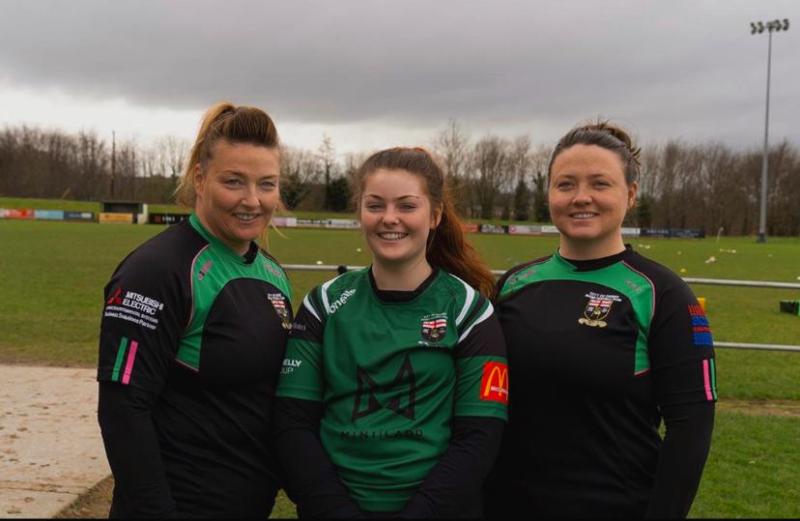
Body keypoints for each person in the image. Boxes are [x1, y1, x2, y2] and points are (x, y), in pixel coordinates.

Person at [485, 122, 717, 518]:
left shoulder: (663, 294)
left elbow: (691, 429)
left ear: (630, 194)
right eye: (566, 184)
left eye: (600, 184)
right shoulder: (514, 284)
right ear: (549, 194)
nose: (581, 198)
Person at [273, 147, 508, 518]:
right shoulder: (324, 304)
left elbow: (479, 437)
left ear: (435, 215)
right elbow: (291, 422)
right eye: (376, 205)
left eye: (406, 206)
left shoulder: (469, 311)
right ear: (360, 213)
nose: (389, 219)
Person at [96, 102, 292, 517]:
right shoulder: (157, 270)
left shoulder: (272, 272)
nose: (253, 200)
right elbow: (122, 410)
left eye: (267, 184)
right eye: (234, 182)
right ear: (200, 179)